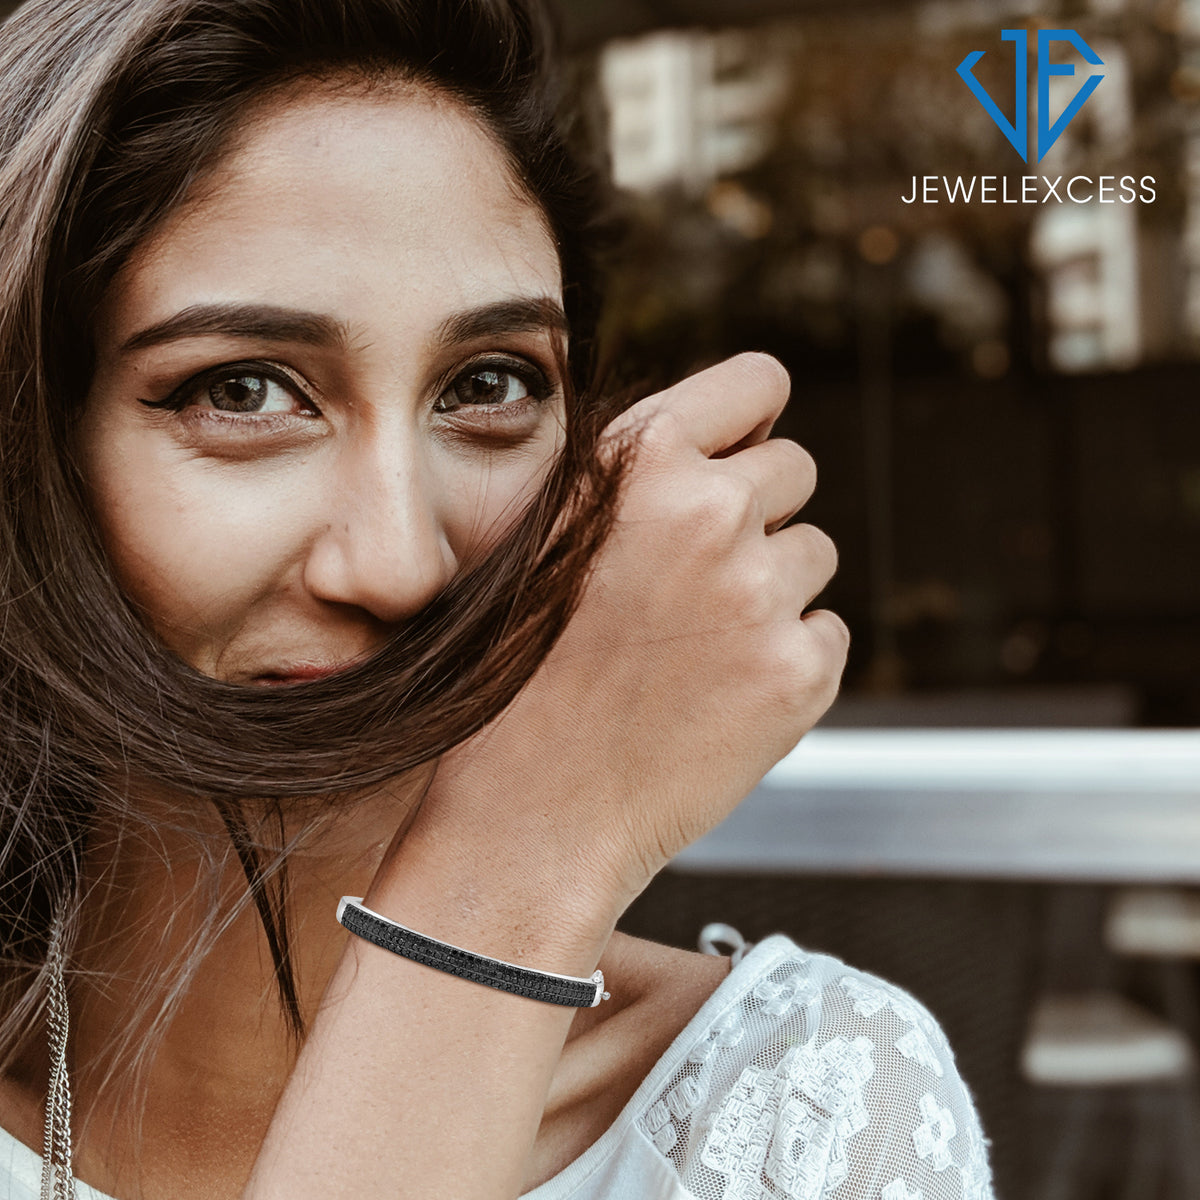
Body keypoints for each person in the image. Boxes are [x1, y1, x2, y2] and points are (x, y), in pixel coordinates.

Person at [0, 0, 994, 1196]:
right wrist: (506, 883)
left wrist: (525, 870)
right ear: (32, 457)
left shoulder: (800, 1111)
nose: (403, 565)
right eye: (246, 390)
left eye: (487, 383)